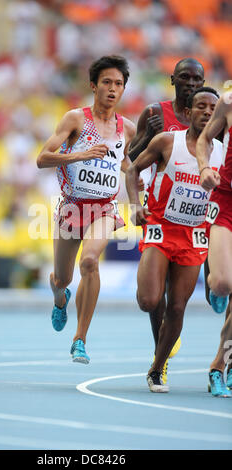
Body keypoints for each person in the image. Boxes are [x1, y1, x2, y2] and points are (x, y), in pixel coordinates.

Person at [36, 55, 136, 364]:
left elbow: (128, 168)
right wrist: (79, 156)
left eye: (118, 84)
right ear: (93, 85)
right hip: (72, 209)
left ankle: (80, 339)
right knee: (62, 278)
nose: (112, 89)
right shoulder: (75, 119)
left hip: (104, 209)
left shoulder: (128, 129)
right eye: (106, 82)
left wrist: (136, 204)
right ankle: (59, 296)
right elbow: (42, 158)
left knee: (90, 261)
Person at [126, 87, 222, 392]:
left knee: (178, 308)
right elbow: (132, 169)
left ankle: (157, 368)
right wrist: (135, 204)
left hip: (195, 234)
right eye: (201, 107)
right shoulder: (168, 141)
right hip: (160, 226)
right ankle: (152, 288)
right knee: (148, 301)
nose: (207, 112)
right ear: (189, 112)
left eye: (212, 108)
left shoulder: (223, 152)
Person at [196, 90, 232, 397]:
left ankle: (220, 366)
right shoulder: (230, 102)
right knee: (222, 283)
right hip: (227, 200)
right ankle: (214, 281)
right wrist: (205, 167)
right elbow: (204, 139)